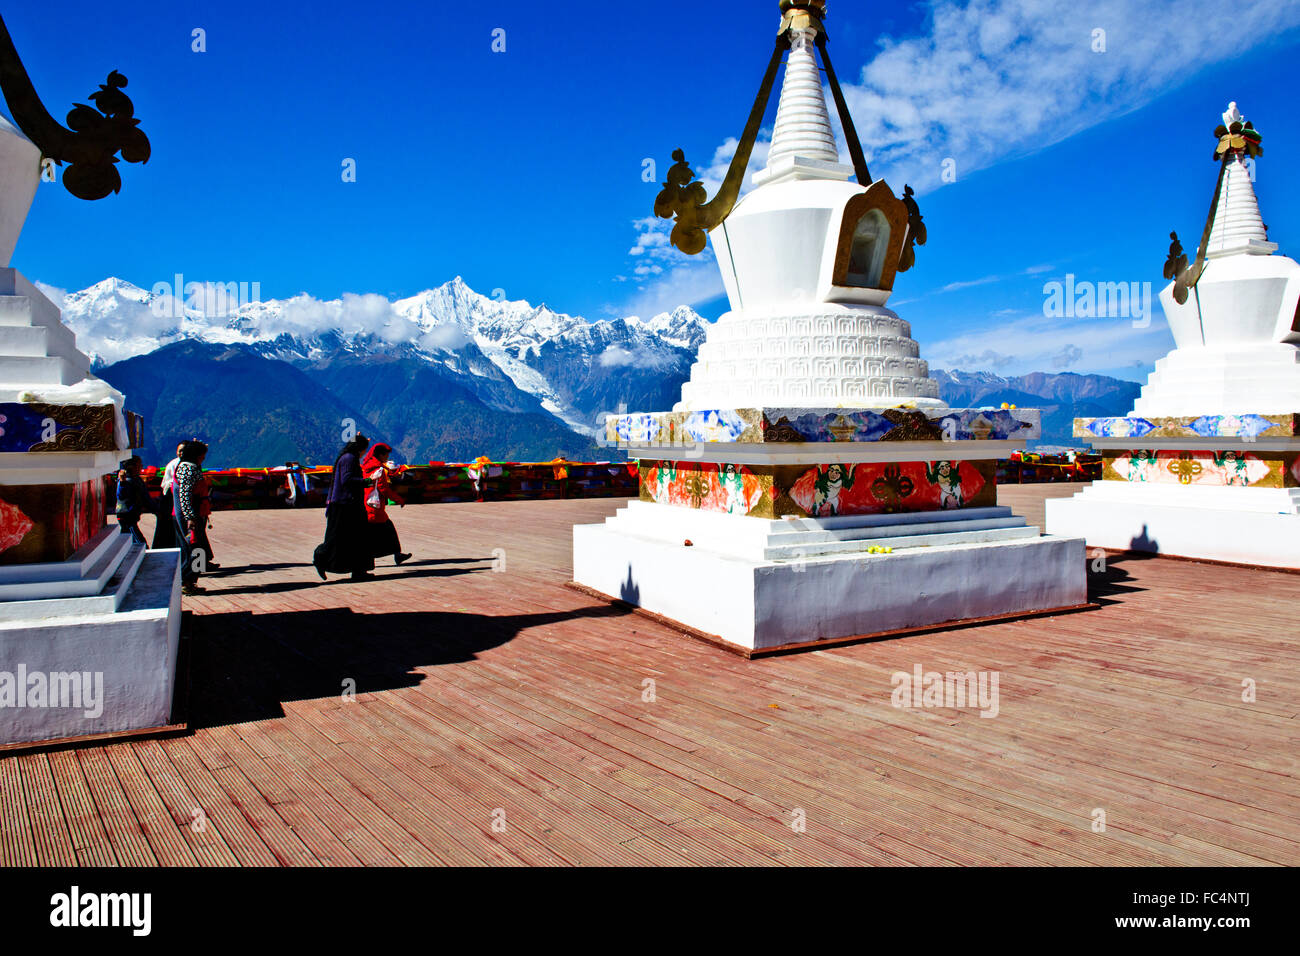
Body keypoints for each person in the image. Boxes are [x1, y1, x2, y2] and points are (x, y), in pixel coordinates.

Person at [313, 434, 376, 582]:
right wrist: (367, 481)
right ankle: (320, 558)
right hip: (344, 505)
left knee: (357, 539)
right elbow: (347, 480)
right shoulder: (349, 459)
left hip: (348, 504)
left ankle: (359, 570)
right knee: (337, 538)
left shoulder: (346, 457)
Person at [361, 442, 412, 565]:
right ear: (380, 455)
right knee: (385, 530)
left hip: (366, 503)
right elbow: (384, 489)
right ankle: (393, 555)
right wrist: (399, 499)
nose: (387, 458)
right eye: (386, 455)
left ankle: (395, 554)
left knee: (375, 533)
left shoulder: (366, 466)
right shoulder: (379, 469)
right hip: (376, 507)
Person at [173, 440, 210, 594]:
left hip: (194, 513)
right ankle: (187, 581)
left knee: (197, 548)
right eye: (202, 455)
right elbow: (185, 496)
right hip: (191, 515)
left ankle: (192, 581)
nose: (203, 458)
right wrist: (190, 517)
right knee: (195, 548)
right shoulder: (188, 469)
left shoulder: (184, 467)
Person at [151, 441, 185, 549]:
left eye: (184, 450)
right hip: (169, 498)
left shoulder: (186, 463)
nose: (181, 453)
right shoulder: (174, 464)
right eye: (180, 451)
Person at [115, 456, 148, 546]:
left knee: (126, 536)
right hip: (126, 514)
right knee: (139, 542)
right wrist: (122, 482)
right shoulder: (125, 482)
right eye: (139, 465)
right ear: (131, 467)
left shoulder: (137, 480)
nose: (141, 467)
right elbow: (121, 495)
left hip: (132, 514)